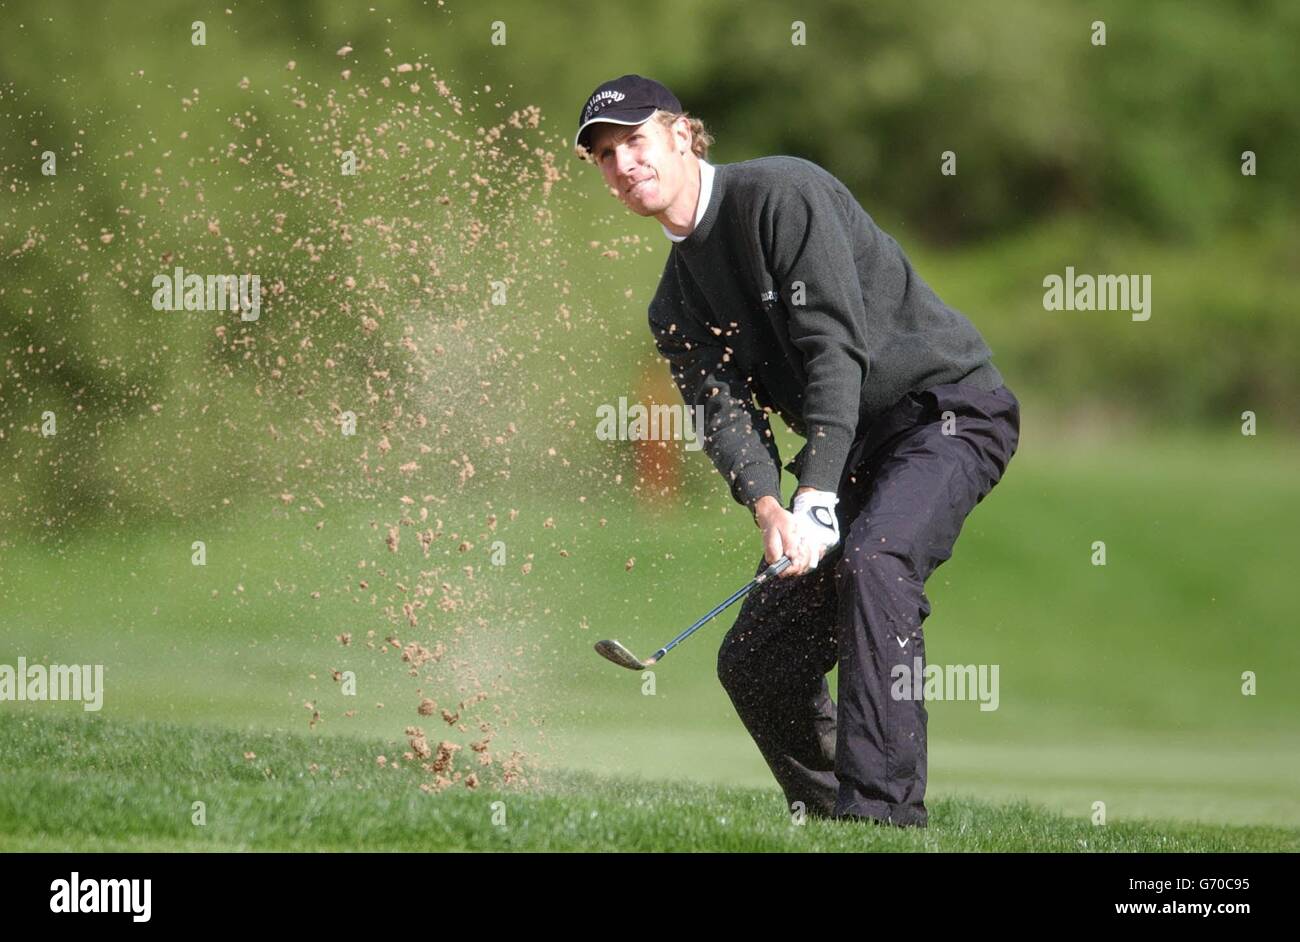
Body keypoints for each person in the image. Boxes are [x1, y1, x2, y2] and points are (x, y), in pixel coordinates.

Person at [574, 74, 1020, 827]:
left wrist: (815, 491)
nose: (624, 165)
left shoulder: (781, 196)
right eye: (606, 156)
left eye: (635, 141)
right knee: (756, 664)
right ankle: (837, 818)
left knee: (875, 562)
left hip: (944, 414)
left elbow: (832, 352)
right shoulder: (673, 301)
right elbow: (725, 417)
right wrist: (770, 506)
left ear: (683, 133)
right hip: (848, 454)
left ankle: (882, 819)